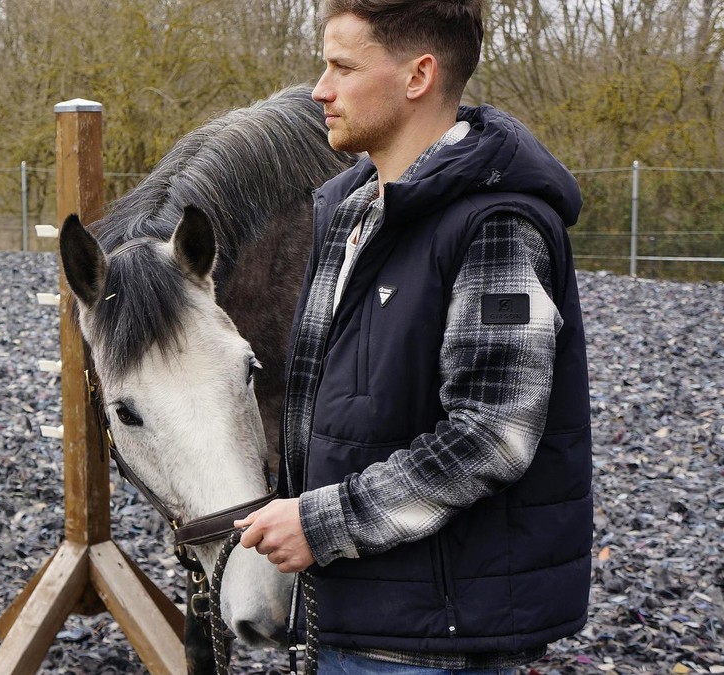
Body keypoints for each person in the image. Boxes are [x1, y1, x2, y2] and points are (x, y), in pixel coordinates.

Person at [235, 0, 592, 672]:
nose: (320, 88)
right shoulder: (349, 213)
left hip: (431, 644)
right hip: (347, 617)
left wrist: (321, 523)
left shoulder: (496, 225)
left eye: (342, 65)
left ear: (418, 76)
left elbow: (492, 434)